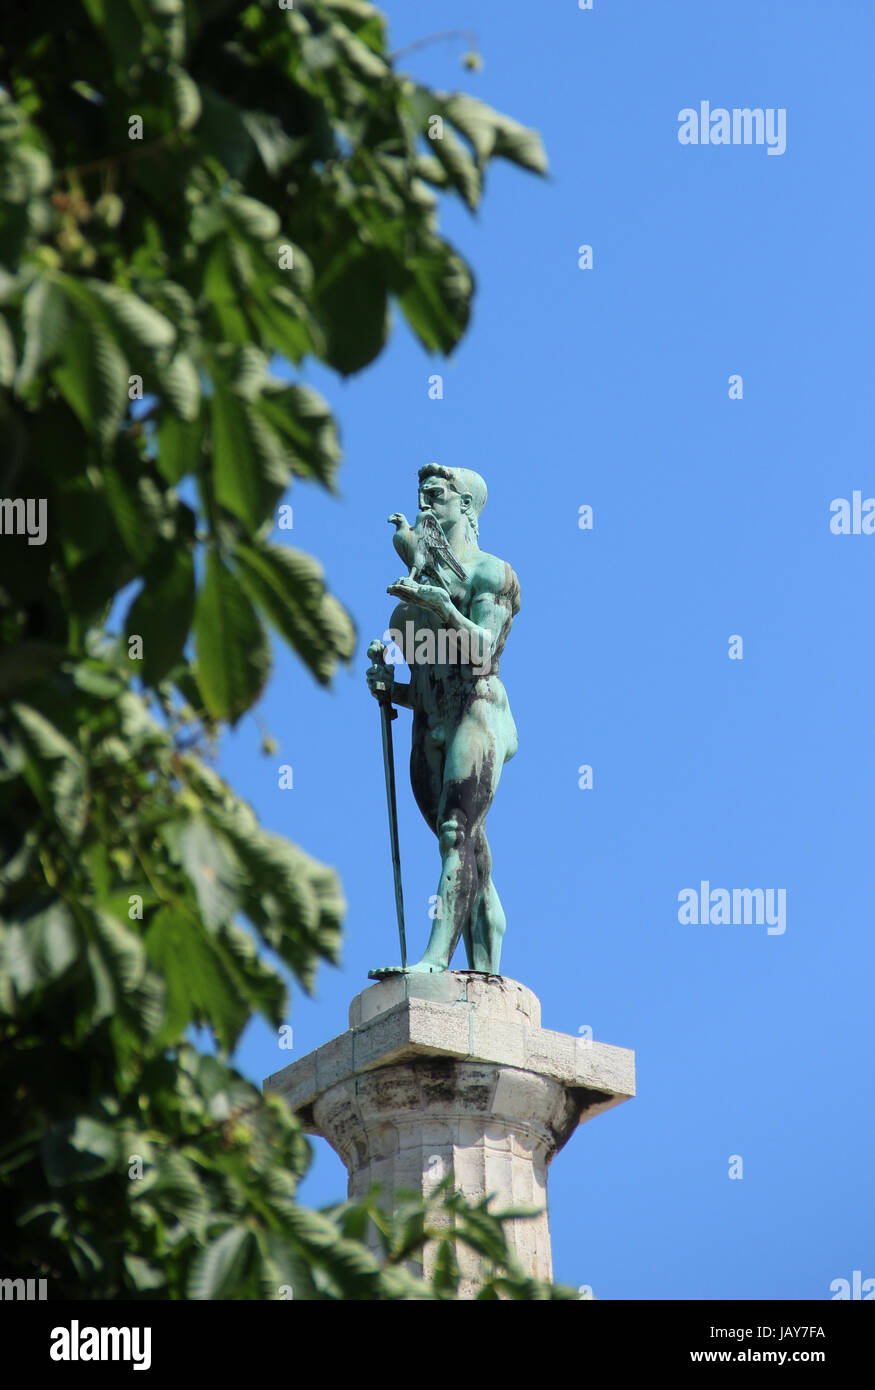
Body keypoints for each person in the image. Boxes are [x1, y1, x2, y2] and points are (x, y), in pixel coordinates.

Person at [366, 464, 520, 975]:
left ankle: (434, 961)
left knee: (456, 832)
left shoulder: (490, 574)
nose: (424, 506)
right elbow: (428, 685)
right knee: (464, 843)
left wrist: (446, 610)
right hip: (430, 727)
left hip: (478, 713)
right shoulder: (405, 611)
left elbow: (481, 654)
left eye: (435, 496)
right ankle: (488, 952)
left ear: (467, 507)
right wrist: (392, 688)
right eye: (421, 497)